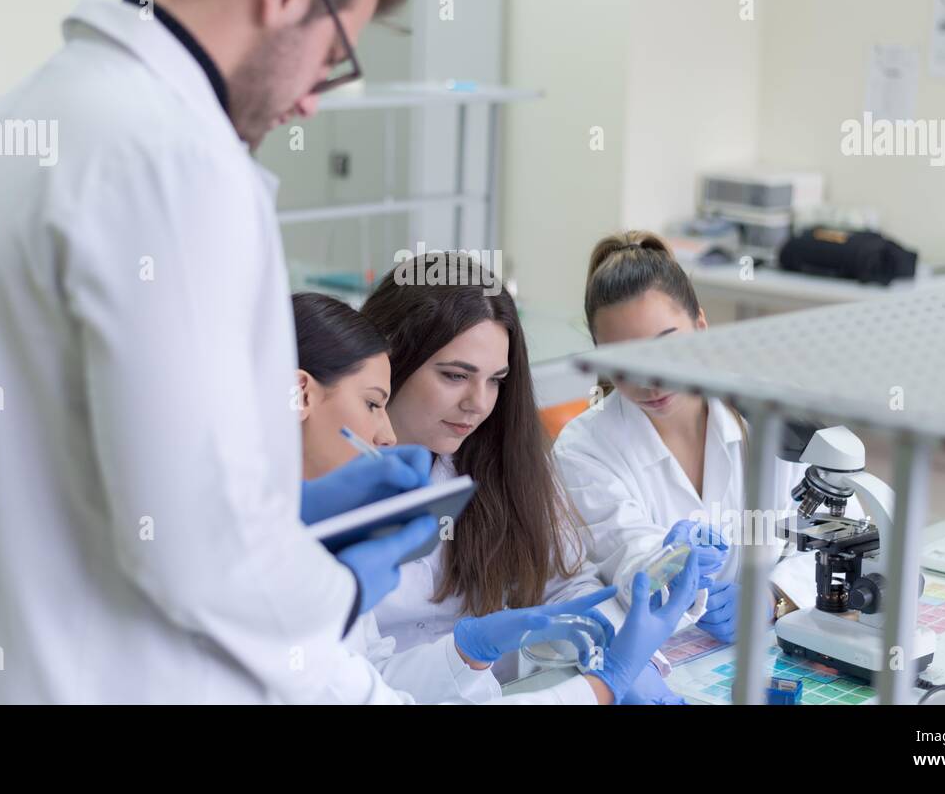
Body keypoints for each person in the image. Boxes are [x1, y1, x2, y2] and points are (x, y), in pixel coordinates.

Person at [0, 0, 436, 703]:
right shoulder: (173, 160)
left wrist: (287, 515)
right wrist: (339, 588)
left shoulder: (26, 116)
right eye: (332, 56)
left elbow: (88, 462)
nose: (310, 104)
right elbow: (193, 548)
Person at [290, 291, 696, 705]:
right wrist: (602, 687)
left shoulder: (503, 461)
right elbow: (371, 684)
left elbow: (568, 584)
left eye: (496, 381)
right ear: (399, 363)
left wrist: (615, 657)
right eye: (454, 376)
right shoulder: (294, 541)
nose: (478, 404)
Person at [554, 231, 846, 641]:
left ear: (702, 327)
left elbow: (838, 534)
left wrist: (770, 598)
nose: (651, 381)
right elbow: (630, 555)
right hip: (653, 654)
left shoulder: (770, 416)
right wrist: (668, 563)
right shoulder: (584, 449)